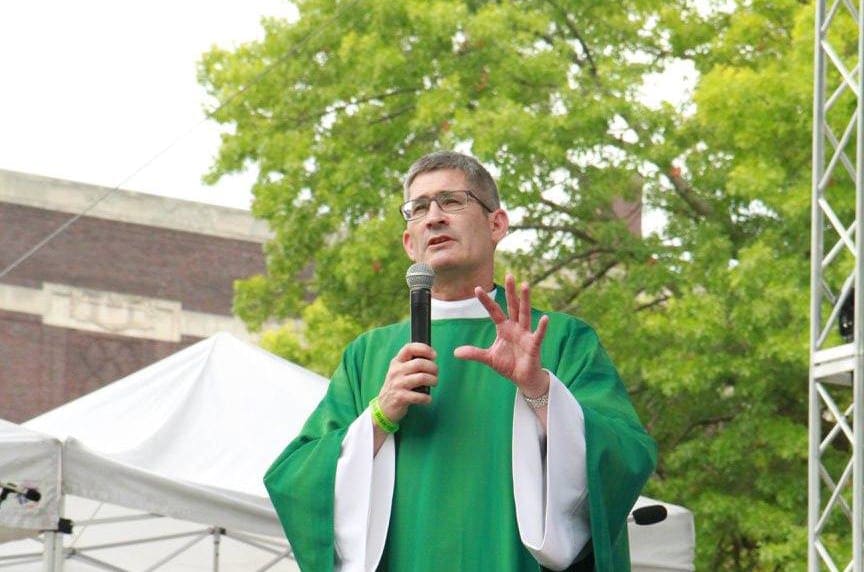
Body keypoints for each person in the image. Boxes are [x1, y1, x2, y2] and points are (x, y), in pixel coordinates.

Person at [264, 151, 657, 571]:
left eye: (451, 201)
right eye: (418, 208)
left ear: (496, 224)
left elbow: (625, 460)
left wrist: (540, 391)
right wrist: (379, 416)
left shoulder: (559, 339)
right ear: (408, 242)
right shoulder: (368, 356)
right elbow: (298, 484)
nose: (433, 216)